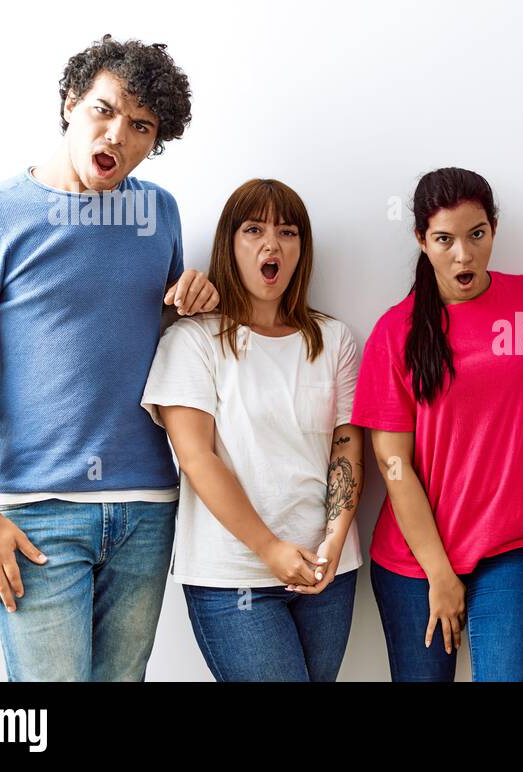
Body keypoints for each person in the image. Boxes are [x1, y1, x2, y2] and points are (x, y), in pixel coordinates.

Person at [0, 35, 218, 681]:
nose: (117, 134)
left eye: (141, 126)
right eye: (104, 110)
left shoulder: (158, 212)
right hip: (36, 510)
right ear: (70, 104)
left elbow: (147, 328)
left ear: (155, 141)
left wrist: (191, 302)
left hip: (146, 503)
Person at [142, 178, 363, 681]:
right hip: (232, 576)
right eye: (253, 230)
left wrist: (332, 544)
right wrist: (270, 549)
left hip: (328, 572)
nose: (271, 245)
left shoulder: (334, 339)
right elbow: (197, 459)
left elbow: (345, 449)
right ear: (230, 243)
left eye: (287, 232)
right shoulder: (193, 340)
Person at [352, 167, 523, 681]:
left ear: (493, 229)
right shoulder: (394, 330)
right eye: (444, 239)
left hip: (515, 547)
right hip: (414, 562)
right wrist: (439, 573)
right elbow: (392, 462)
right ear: (421, 239)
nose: (463, 255)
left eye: (477, 235)